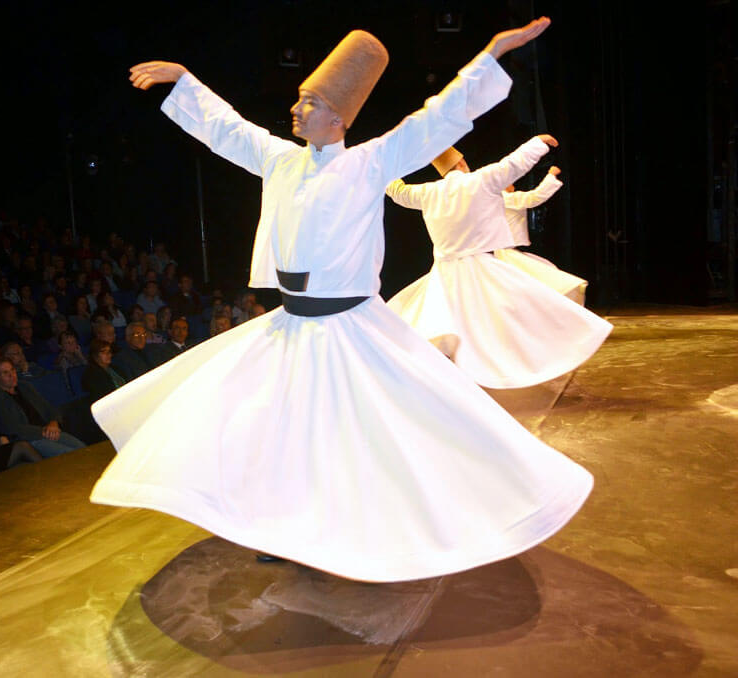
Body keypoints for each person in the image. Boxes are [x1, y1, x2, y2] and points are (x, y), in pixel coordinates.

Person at [92, 19, 593, 583]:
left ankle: (384, 518)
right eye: (299, 100)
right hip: (291, 326)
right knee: (281, 426)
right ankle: (284, 525)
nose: (297, 109)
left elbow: (435, 121)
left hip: (348, 326)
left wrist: (491, 56)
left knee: (364, 431)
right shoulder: (280, 159)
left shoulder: (368, 163)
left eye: (310, 102)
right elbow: (227, 130)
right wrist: (184, 80)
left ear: (339, 117)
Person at [385, 138, 612, 388]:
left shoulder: (426, 192)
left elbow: (398, 192)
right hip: (479, 267)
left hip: (444, 274)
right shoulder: (480, 180)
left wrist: (385, 171)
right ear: (462, 163)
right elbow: (514, 163)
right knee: (509, 310)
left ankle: (450, 369)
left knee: (444, 320)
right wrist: (539, 143)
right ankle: (516, 355)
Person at [495, 166, 590, 303]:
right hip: (505, 254)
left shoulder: (502, 199)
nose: (513, 186)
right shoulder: (506, 198)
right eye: (510, 182)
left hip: (506, 252)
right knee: (547, 279)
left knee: (544, 274)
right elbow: (534, 197)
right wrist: (551, 175)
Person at [0, 358, 86, 458]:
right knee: (72, 455)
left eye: (12, 370)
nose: (11, 375)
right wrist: (44, 431)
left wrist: (54, 423)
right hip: (30, 439)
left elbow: (49, 408)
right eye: (5, 373)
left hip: (49, 431)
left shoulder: (25, 387)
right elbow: (12, 428)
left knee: (84, 449)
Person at [81, 339, 127, 404]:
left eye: (109, 351)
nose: (109, 355)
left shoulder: (115, 368)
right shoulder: (91, 375)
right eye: (104, 352)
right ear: (95, 355)